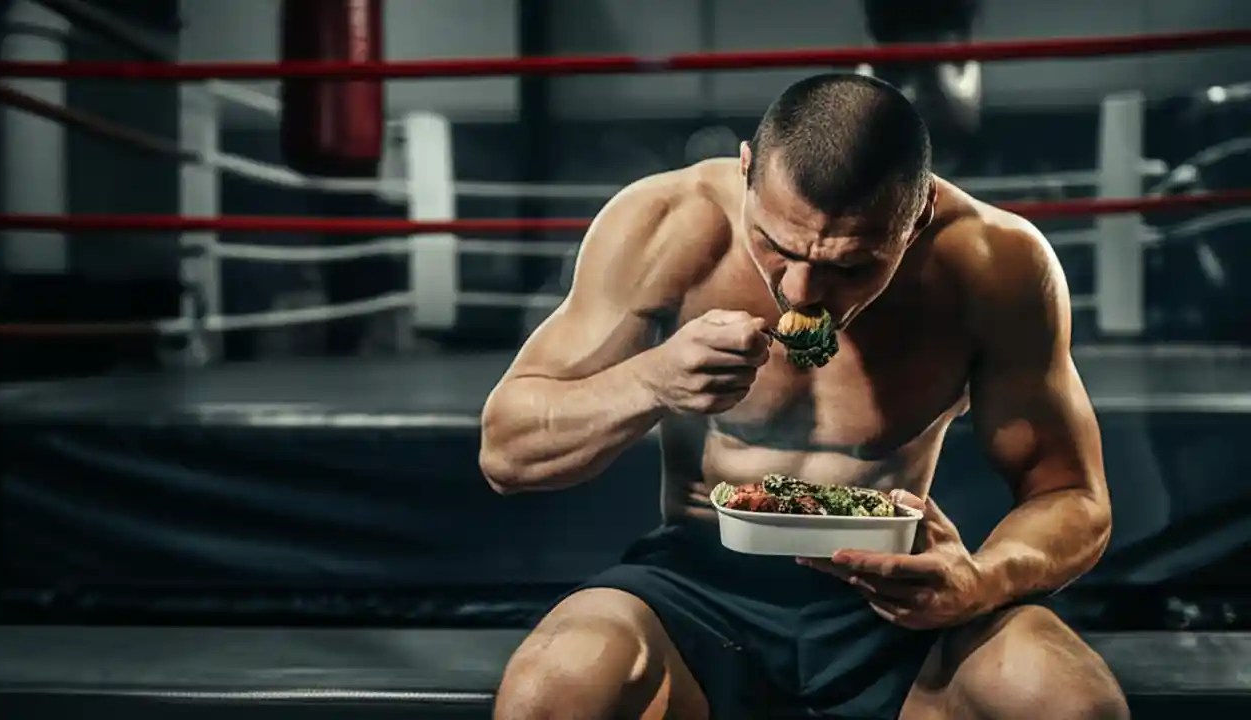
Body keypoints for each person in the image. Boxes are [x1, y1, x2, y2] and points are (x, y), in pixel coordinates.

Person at [479, 73, 1129, 720]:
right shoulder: (666, 225)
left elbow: (1073, 496)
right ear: (746, 171)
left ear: (919, 214)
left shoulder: (993, 263)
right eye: (776, 245)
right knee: (550, 689)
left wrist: (984, 581)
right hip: (696, 586)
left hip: (897, 597)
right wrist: (650, 380)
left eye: (852, 266)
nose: (803, 291)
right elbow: (506, 453)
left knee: (1070, 701)